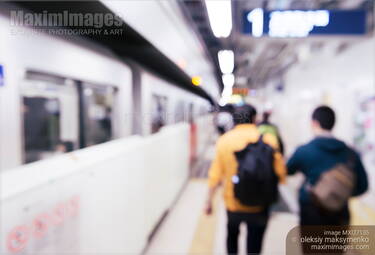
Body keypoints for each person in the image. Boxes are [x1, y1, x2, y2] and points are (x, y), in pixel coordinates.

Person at [205, 104, 287, 254]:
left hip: (233, 202)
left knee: (232, 236)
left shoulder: (224, 140)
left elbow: (214, 176)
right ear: (255, 119)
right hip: (260, 203)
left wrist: (209, 201)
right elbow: (280, 173)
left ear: (234, 120)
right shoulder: (269, 139)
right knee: (255, 243)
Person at [287, 105, 368, 226]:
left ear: (314, 123)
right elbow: (363, 186)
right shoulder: (351, 153)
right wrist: (338, 194)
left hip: (311, 211)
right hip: (340, 213)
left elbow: (288, 170)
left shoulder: (304, 150)